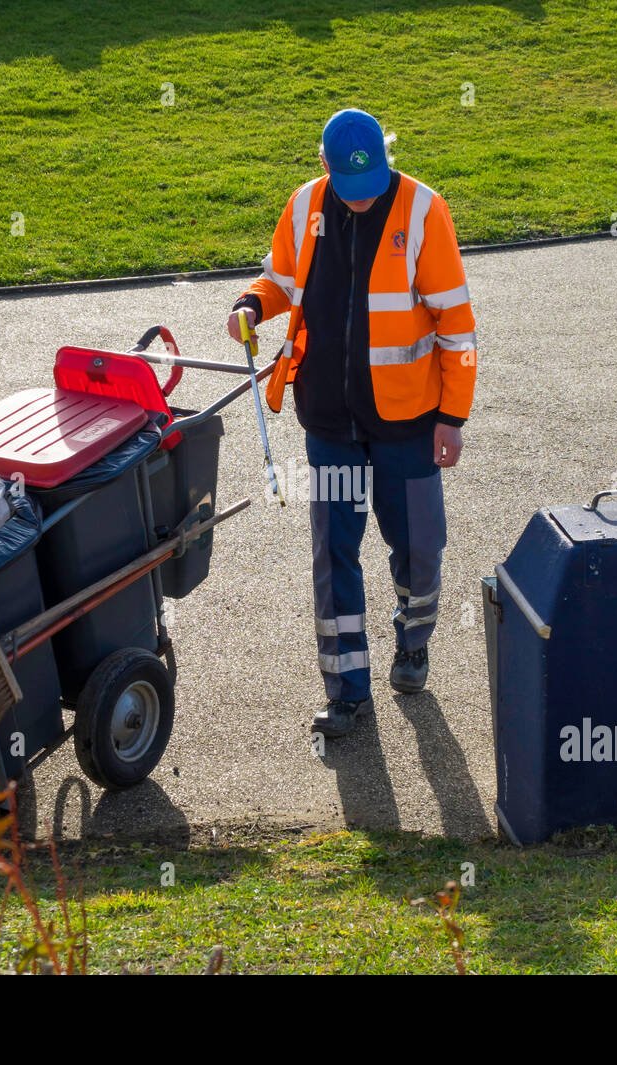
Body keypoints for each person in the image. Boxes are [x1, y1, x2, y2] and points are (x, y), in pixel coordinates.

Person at [227, 108, 477, 739]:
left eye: (371, 189)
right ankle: (347, 692)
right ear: (324, 166)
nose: (362, 203)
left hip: (410, 423)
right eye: (349, 189)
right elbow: (282, 280)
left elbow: (457, 325)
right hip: (330, 422)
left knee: (420, 547)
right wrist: (252, 303)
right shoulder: (304, 206)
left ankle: (413, 641)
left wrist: (452, 416)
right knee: (334, 551)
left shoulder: (425, 211)